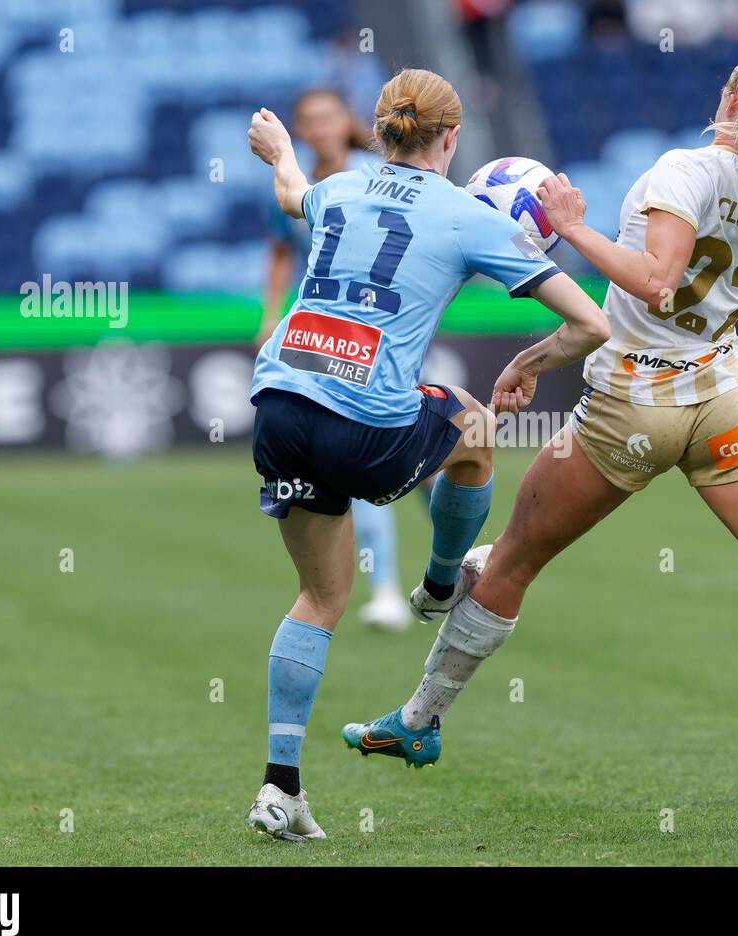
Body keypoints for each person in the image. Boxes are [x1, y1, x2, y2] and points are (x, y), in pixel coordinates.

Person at [342, 44, 738, 821]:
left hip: (634, 407)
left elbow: (655, 283)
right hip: (724, 406)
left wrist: (573, 228)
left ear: (733, 98)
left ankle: (419, 720)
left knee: (512, 561)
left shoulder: (684, 172)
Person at [244, 68, 610, 840]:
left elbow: (289, 192)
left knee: (318, 600)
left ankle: (280, 788)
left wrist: (279, 149)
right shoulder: (469, 217)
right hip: (367, 424)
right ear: (452, 138)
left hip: (280, 404)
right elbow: (592, 325)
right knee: (475, 428)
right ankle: (441, 585)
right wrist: (527, 364)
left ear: (379, 130)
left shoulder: (337, 187)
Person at [259, 89, 410, 633]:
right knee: (354, 456)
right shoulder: (295, 185)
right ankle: (387, 589)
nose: (320, 127)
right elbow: (281, 253)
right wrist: (270, 316)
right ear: (300, 130)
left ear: (346, 122)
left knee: (422, 461)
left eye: (328, 117)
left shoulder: (377, 176)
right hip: (328, 341)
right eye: (310, 120)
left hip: (385, 335)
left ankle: (450, 551)